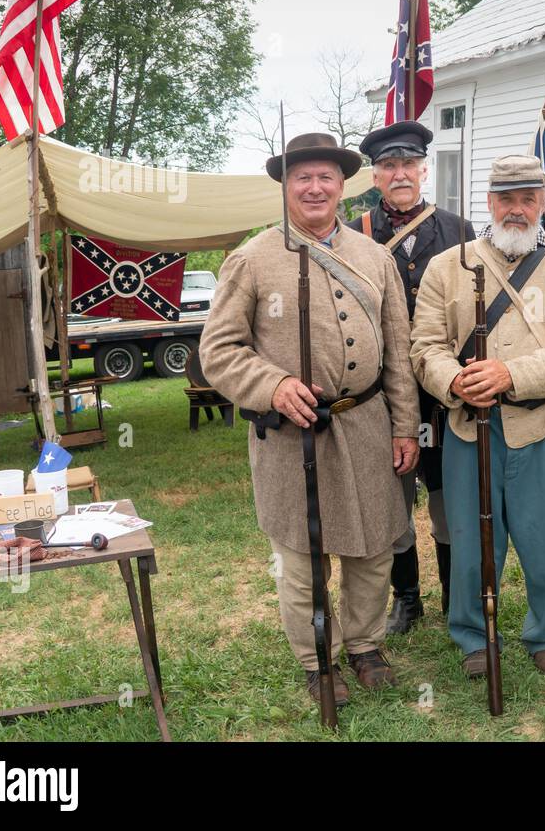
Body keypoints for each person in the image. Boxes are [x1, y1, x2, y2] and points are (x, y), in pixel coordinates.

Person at [200, 132, 421, 707]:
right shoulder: (250, 259)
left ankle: (366, 646)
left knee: (374, 547)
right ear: (286, 185)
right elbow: (219, 350)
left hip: (368, 423)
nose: (316, 187)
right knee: (301, 556)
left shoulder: (376, 258)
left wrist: (404, 424)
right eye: (304, 177)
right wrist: (272, 386)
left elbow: (398, 350)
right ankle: (316, 660)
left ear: (343, 186)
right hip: (292, 432)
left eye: (326, 177)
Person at [410, 154, 545, 677]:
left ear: (542, 202)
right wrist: (455, 381)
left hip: (543, 426)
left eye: (528, 199)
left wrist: (509, 375)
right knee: (471, 542)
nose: (517, 210)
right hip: (470, 428)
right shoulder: (447, 267)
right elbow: (423, 345)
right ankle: (473, 634)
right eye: (506, 199)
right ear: (489, 203)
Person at [348, 120, 475, 634]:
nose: (399, 175)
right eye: (388, 167)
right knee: (393, 497)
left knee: (447, 496)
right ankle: (407, 597)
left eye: (408, 165)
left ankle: (452, 597)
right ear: (375, 176)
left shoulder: (458, 231)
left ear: (424, 170)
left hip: (442, 389)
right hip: (382, 391)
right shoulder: (355, 233)